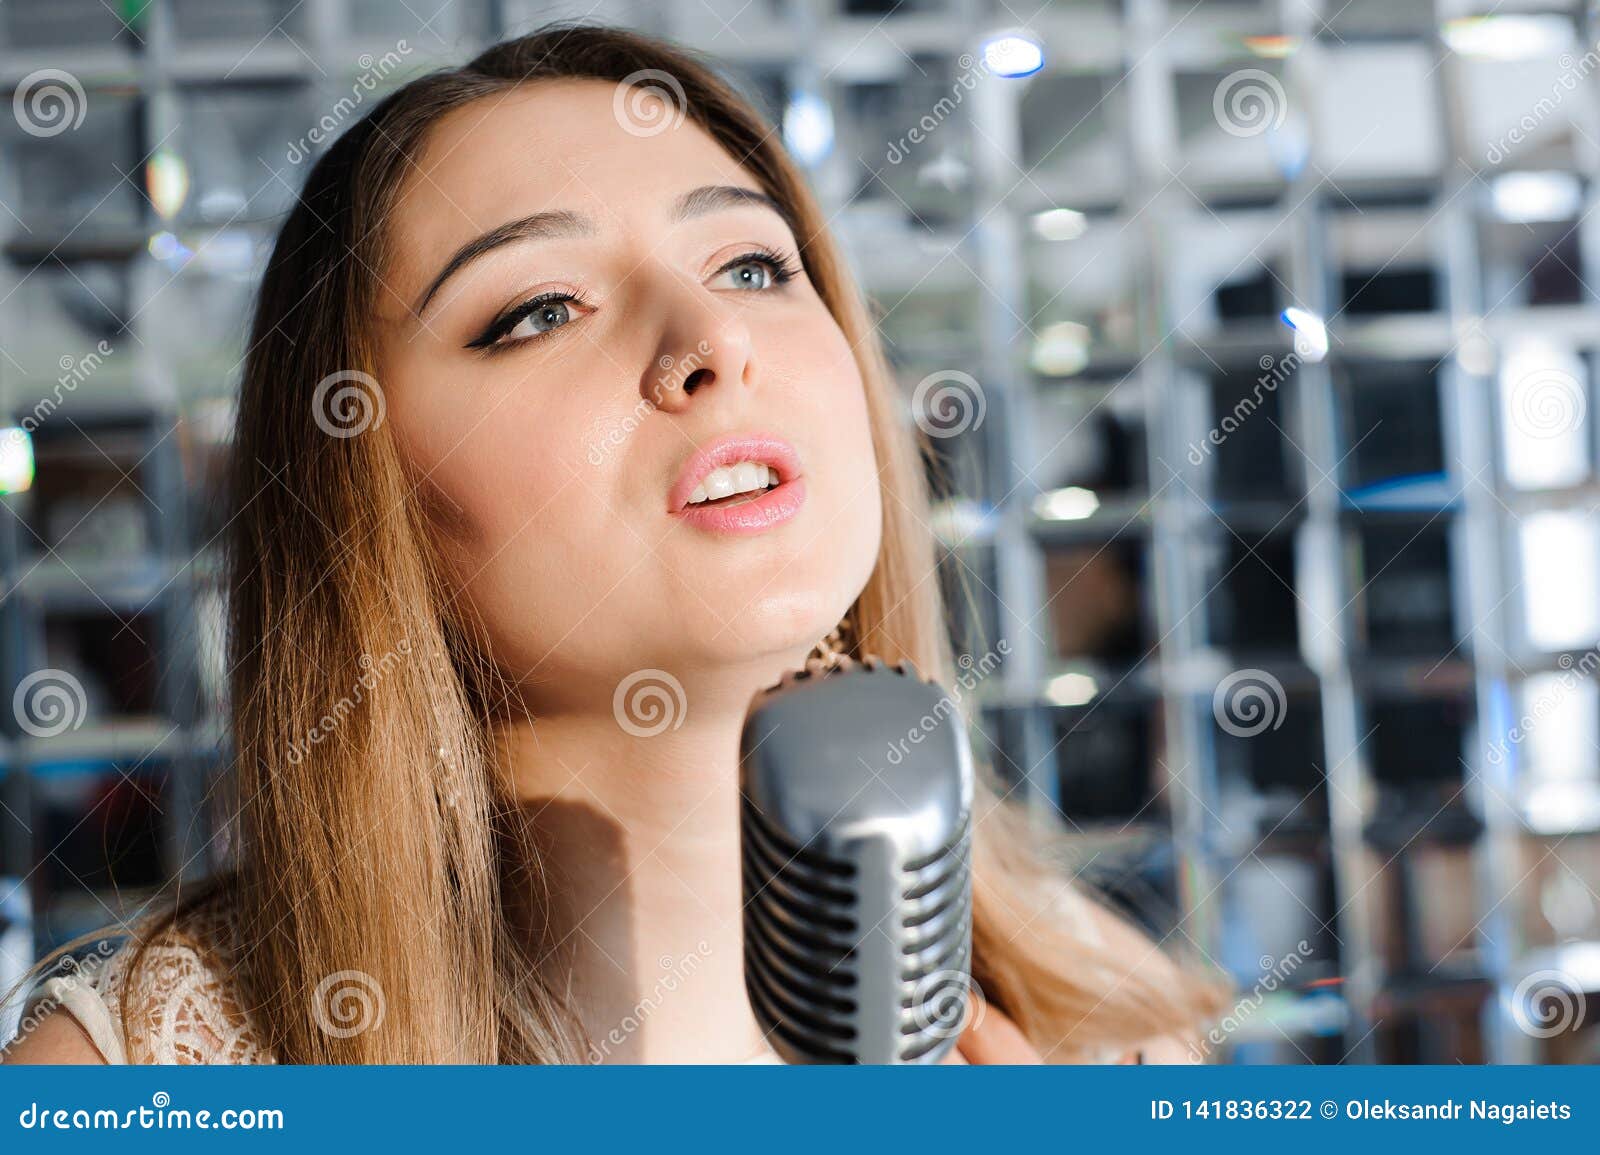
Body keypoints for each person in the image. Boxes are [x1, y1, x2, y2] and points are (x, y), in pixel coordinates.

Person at [3, 22, 1227, 1066]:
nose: (710, 337)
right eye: (538, 311)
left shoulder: (1107, 1034)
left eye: (753, 263)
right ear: (358, 486)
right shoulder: (147, 1067)